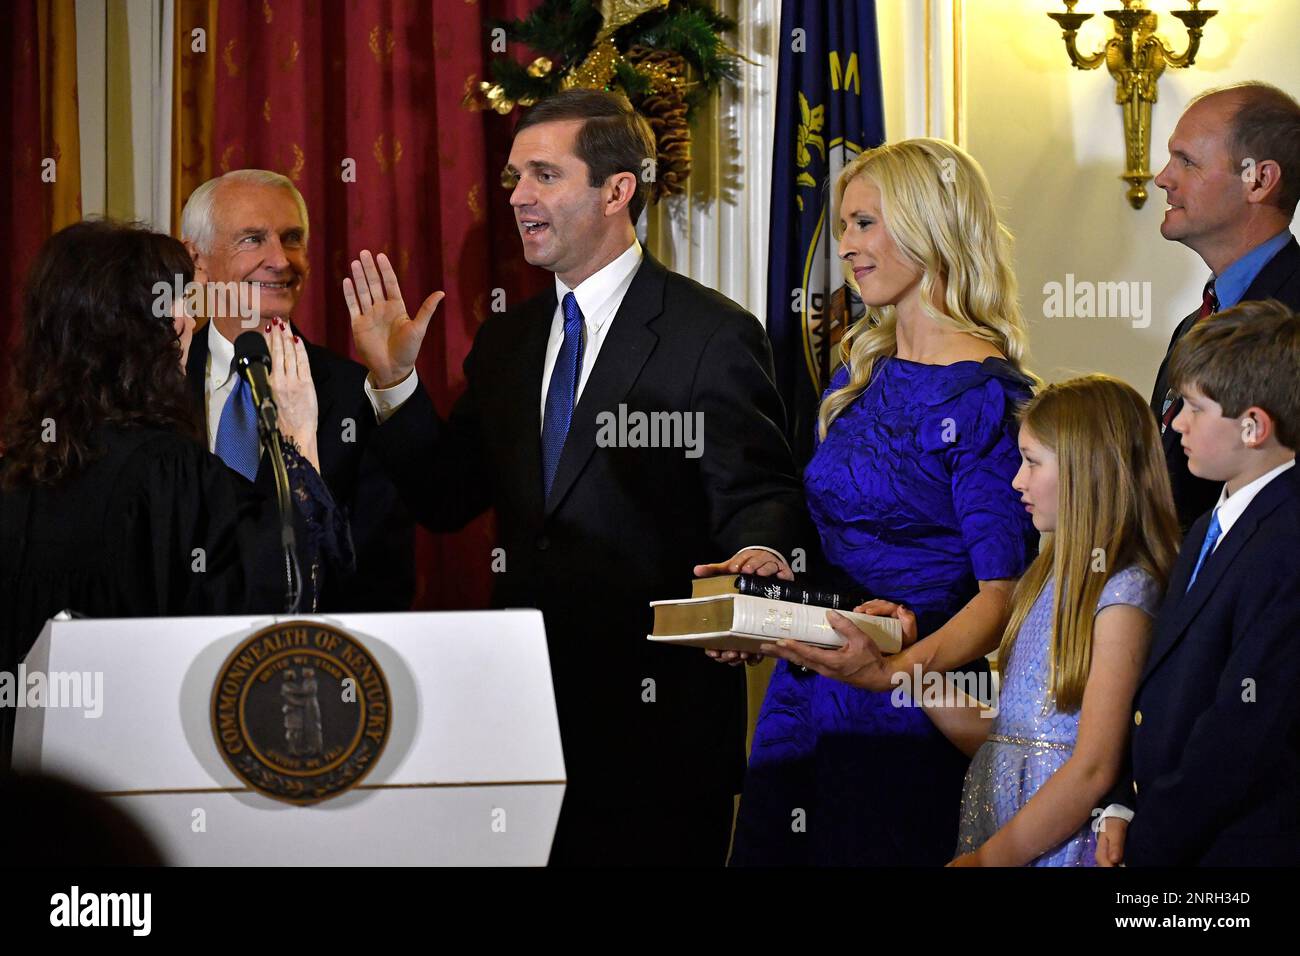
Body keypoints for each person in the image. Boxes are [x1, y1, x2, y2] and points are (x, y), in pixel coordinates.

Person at [340, 90, 808, 865]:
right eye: (514, 177)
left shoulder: (710, 335)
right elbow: (446, 497)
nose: (518, 196)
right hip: (520, 734)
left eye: (543, 175)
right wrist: (395, 383)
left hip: (660, 743)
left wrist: (758, 569)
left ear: (617, 190)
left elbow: (760, 496)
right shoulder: (508, 341)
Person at [726, 139, 1040, 866]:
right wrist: (758, 585)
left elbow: (1001, 597)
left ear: (930, 226)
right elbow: (828, 539)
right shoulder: (858, 377)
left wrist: (893, 674)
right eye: (843, 227)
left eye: (865, 223)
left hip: (915, 710)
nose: (846, 247)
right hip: (806, 698)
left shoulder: (989, 397)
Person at [0, 220, 348, 765]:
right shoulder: (166, 470)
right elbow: (280, 597)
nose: (188, 321)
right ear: (127, 327)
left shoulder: (20, 469)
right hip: (140, 777)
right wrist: (298, 434)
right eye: (173, 306)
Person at [892, 376, 1177, 866]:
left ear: (1088, 471)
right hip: (1005, 836)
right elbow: (1008, 737)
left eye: (1031, 462)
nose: (1016, 481)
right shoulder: (1041, 581)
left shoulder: (1125, 592)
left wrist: (989, 860)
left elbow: (1092, 767)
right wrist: (908, 669)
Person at [1096, 299, 1300, 866]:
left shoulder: (1286, 543)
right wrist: (1122, 803)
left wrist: (1151, 841)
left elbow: (1242, 731)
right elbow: (1159, 684)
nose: (1176, 423)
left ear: (1253, 426)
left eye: (1192, 407)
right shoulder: (1212, 521)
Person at [180, 169, 413, 611]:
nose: (281, 260)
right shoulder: (157, 385)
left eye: (291, 238)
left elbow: (385, 574)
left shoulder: (355, 394)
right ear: (198, 260)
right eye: (252, 239)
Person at [1148, 82, 1300, 530]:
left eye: (1187, 161)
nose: (1163, 178)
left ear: (1259, 180)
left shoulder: (1293, 318)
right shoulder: (1194, 326)